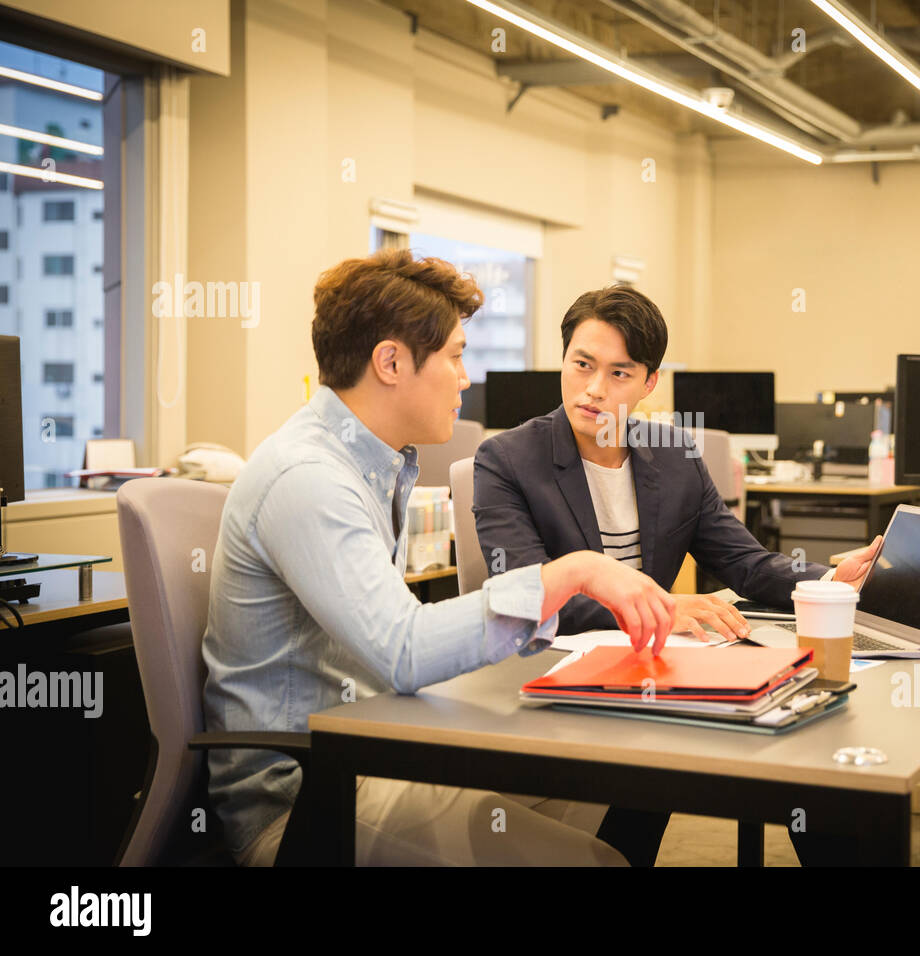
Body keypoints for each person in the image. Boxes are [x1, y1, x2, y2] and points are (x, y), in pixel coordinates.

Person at [201, 249, 676, 866]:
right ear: (392, 362)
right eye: (455, 355)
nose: (465, 377)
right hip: (306, 805)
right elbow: (402, 649)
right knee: (598, 861)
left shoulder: (373, 465)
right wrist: (576, 570)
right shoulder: (308, 478)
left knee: (608, 783)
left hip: (374, 755)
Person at [472, 285, 881, 865]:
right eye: (582, 365)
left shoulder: (672, 452)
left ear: (648, 383)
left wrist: (829, 582)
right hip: (564, 684)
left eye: (619, 373)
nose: (593, 389)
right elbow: (525, 591)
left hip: (658, 675)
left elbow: (743, 560)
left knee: (806, 744)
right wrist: (664, 606)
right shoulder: (508, 460)